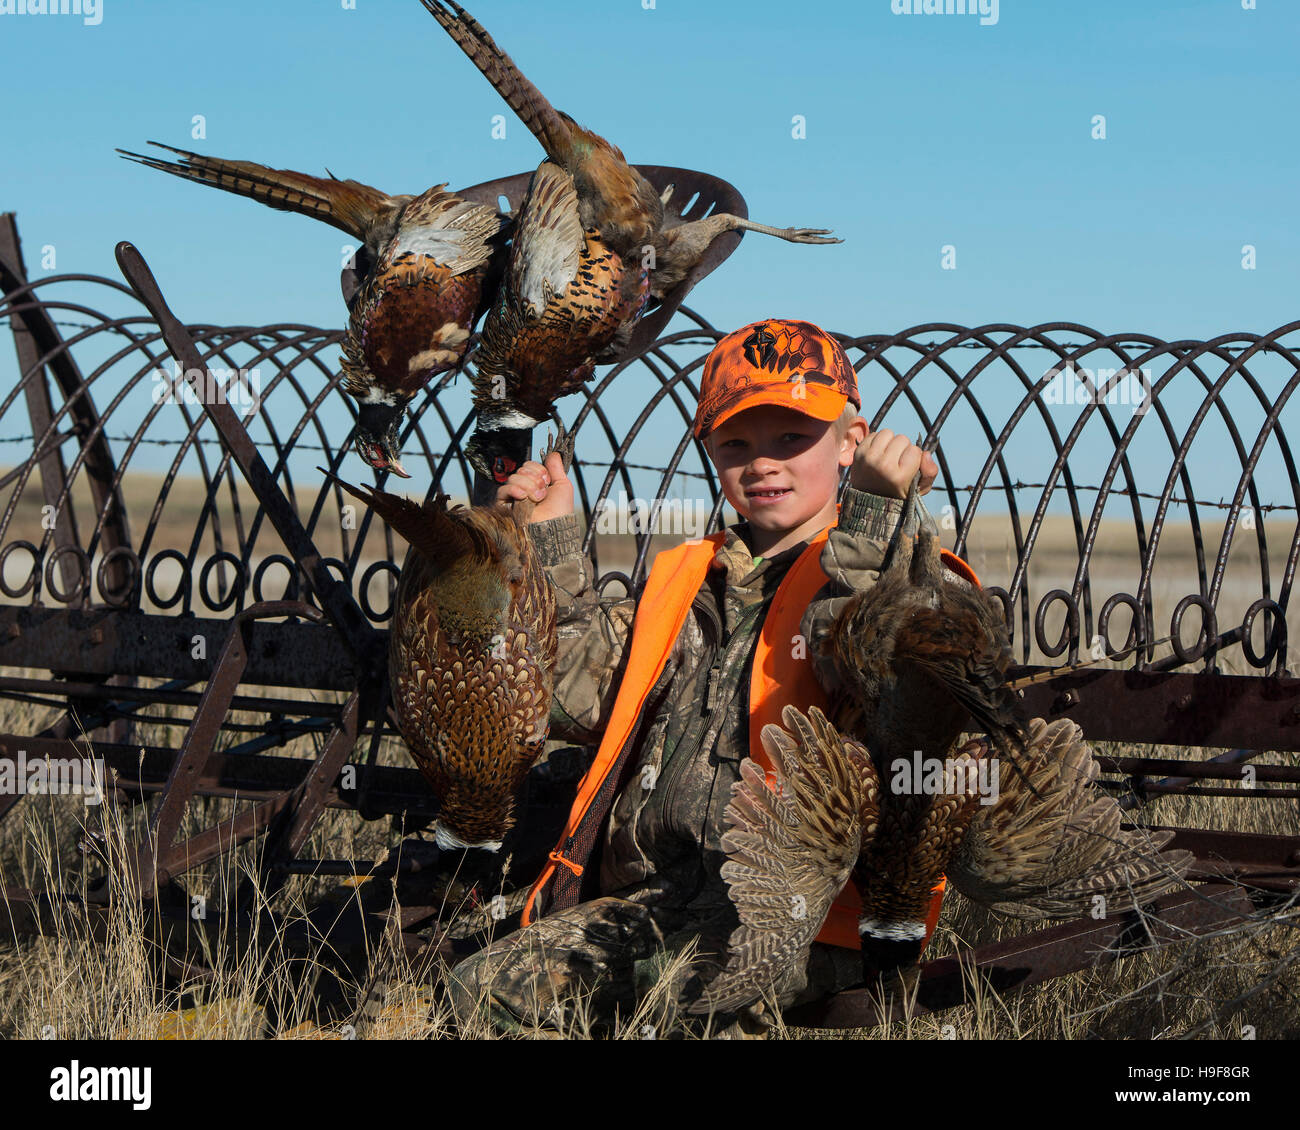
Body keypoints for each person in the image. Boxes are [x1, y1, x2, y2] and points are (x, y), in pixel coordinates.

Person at [447, 318, 948, 1037]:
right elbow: (575, 700)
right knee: (482, 990)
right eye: (736, 444)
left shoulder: (904, 564)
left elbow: (863, 671)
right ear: (709, 452)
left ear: (851, 441)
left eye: (791, 438)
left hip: (806, 910)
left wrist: (869, 519)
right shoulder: (693, 577)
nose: (763, 464)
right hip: (667, 894)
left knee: (657, 1012)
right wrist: (549, 538)